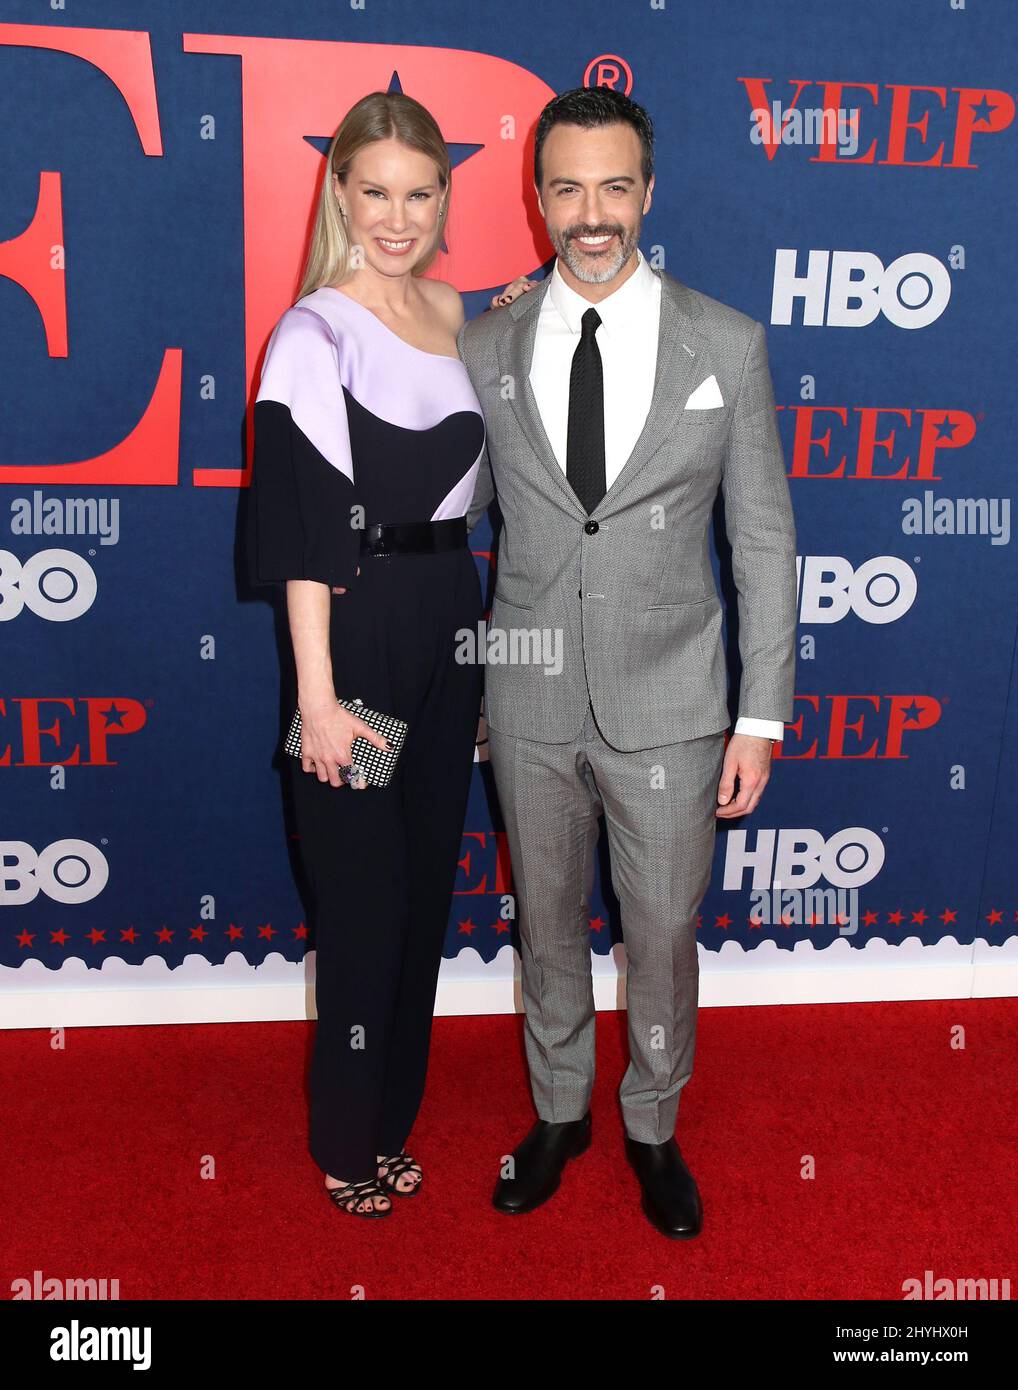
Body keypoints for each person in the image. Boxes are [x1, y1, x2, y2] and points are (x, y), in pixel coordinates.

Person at [459, 87, 797, 1238]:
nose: (590, 213)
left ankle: (652, 1124)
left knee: (659, 934)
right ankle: (559, 1113)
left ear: (647, 192)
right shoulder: (486, 339)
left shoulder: (727, 341)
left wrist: (761, 716)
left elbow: (762, 540)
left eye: (614, 185)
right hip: (532, 694)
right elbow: (449, 521)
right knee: (544, 924)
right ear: (536, 194)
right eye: (566, 186)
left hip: (674, 703)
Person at [247, 91, 487, 1218]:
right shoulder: (312, 331)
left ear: (446, 194)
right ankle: (347, 1142)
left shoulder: (455, 309)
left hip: (454, 620)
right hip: (356, 625)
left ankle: (392, 1120)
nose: (398, 216)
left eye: (420, 191)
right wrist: (320, 698)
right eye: (375, 192)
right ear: (340, 192)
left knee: (426, 895)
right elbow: (302, 538)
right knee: (365, 905)